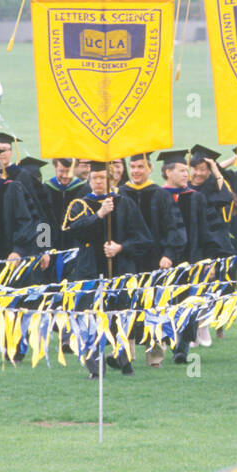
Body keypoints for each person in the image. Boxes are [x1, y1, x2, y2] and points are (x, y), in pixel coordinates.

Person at [61, 162, 154, 377]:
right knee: (91, 318)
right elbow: (74, 231)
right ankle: (95, 367)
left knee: (119, 317)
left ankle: (123, 359)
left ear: (112, 179)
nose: (99, 182)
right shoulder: (80, 205)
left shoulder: (126, 204)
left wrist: (121, 247)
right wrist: (99, 215)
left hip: (119, 270)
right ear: (89, 180)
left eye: (103, 178)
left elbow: (144, 239)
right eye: (95, 178)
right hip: (89, 270)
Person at [162, 148, 233, 362]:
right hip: (164, 261)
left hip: (192, 259)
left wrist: (210, 261)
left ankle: (181, 347)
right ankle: (165, 342)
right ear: (168, 173)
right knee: (167, 303)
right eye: (183, 170)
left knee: (189, 302)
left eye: (187, 171)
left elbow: (207, 231)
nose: (187, 175)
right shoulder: (157, 197)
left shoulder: (196, 198)